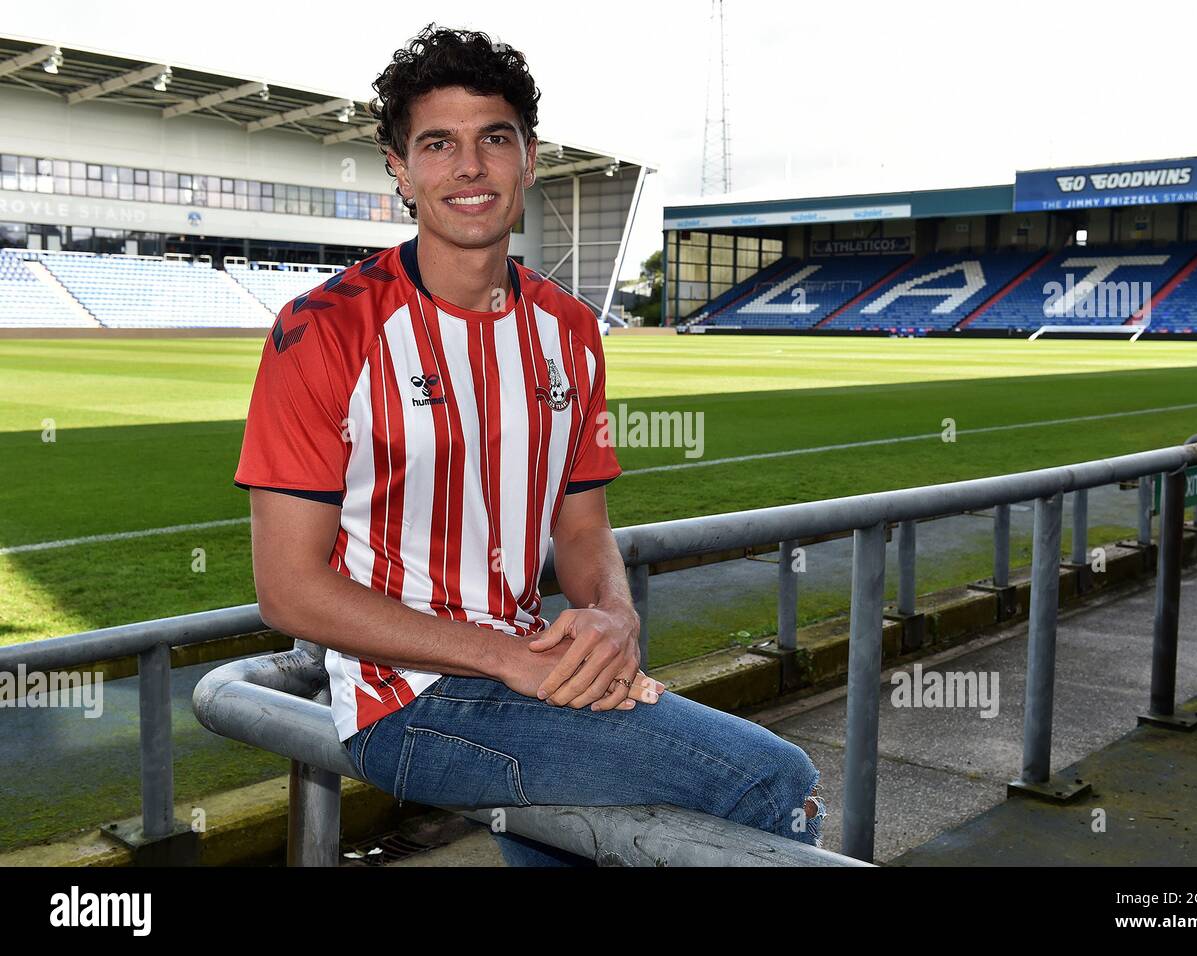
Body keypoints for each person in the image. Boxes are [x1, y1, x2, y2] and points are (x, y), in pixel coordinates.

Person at [234, 23, 824, 866]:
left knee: (575, 845)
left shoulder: (571, 330)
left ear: (529, 156)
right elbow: (288, 590)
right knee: (773, 782)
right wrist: (508, 658)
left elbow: (582, 530)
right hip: (405, 698)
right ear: (400, 169)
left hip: (530, 667)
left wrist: (614, 618)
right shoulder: (325, 330)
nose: (469, 167)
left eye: (493, 139)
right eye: (438, 144)